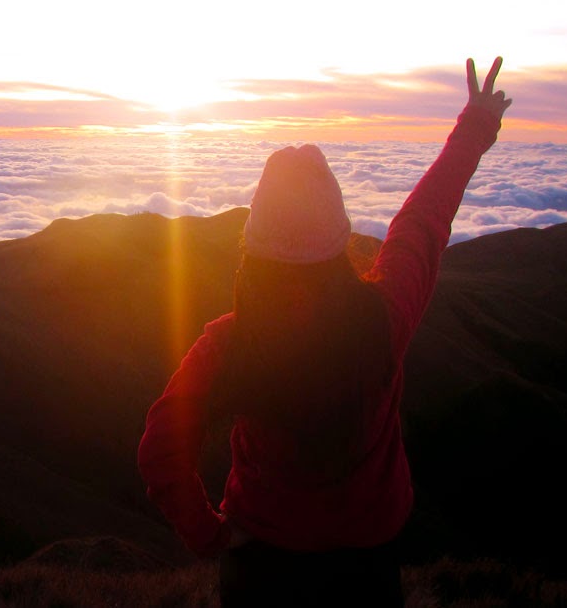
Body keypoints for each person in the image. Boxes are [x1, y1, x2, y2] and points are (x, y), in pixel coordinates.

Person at [137, 57, 512, 606]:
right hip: (365, 570)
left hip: (258, 570)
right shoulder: (383, 318)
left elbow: (160, 449)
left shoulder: (228, 346)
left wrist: (208, 534)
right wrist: (475, 126)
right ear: (338, 243)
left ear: (252, 252)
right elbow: (422, 224)